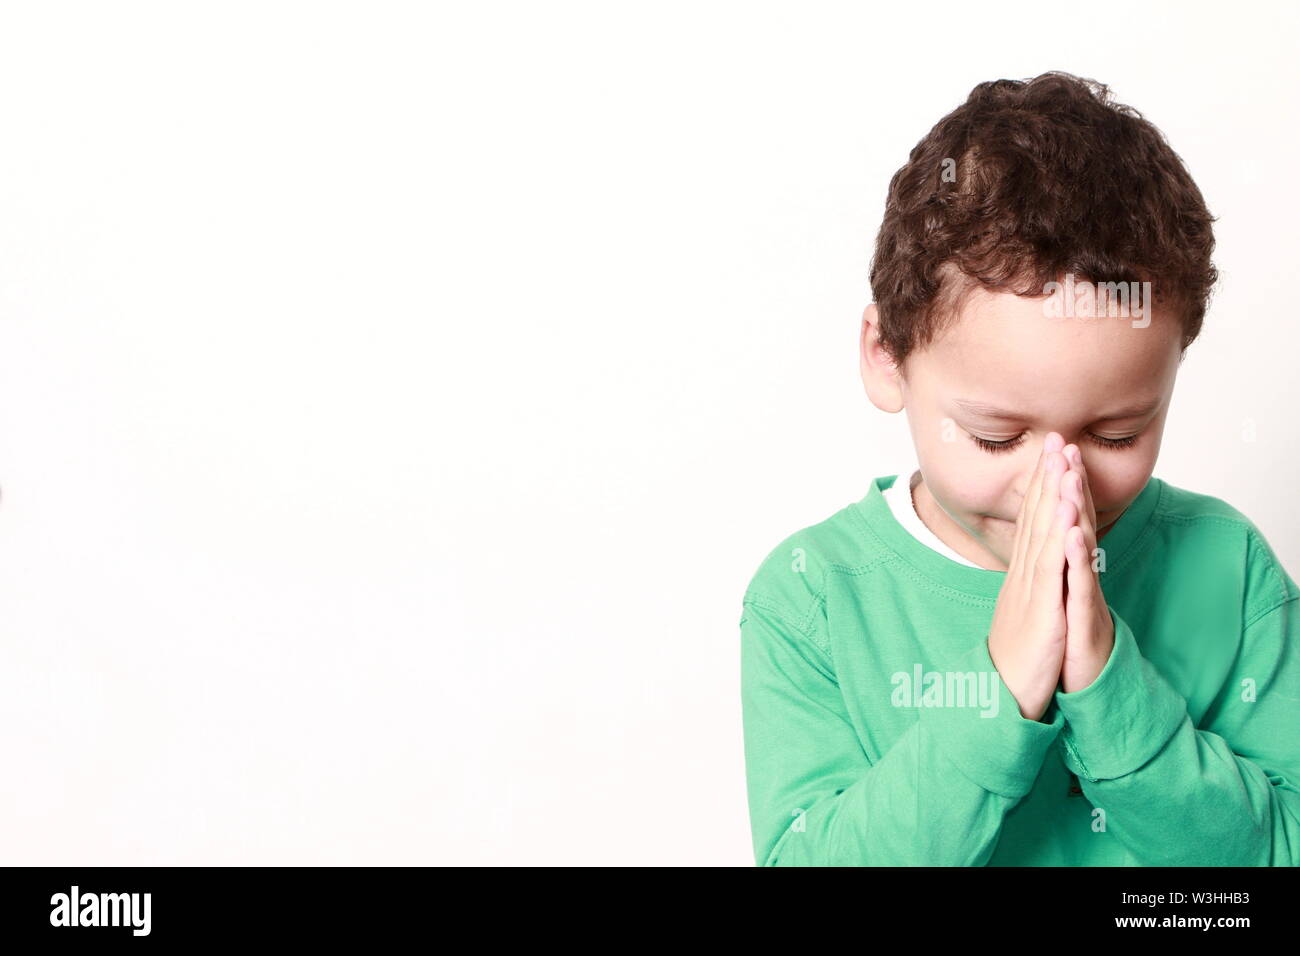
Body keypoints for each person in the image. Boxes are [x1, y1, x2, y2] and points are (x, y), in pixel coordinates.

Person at [739, 71, 1300, 866]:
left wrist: (1113, 694)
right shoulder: (810, 599)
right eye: (996, 438)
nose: (1056, 489)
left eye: (1115, 434)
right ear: (887, 357)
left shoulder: (1231, 573)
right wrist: (997, 691)